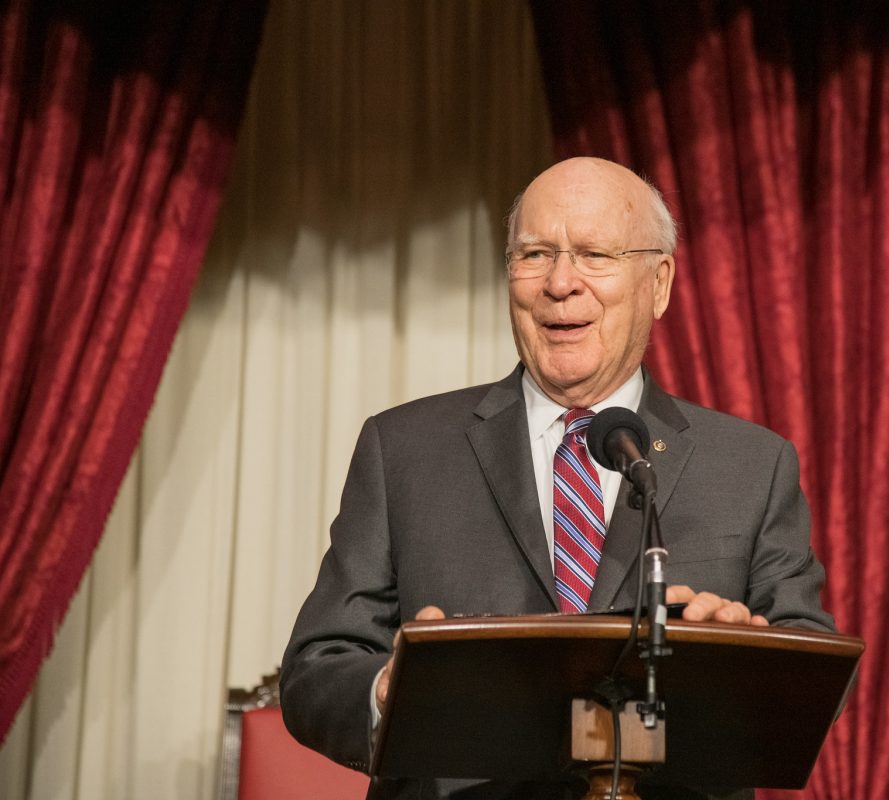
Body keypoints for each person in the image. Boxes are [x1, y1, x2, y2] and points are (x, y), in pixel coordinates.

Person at [280, 157, 835, 800]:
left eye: (594, 253)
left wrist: (749, 664)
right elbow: (315, 674)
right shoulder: (402, 449)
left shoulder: (751, 465)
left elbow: (814, 673)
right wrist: (386, 690)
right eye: (535, 254)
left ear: (658, 284)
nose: (560, 282)